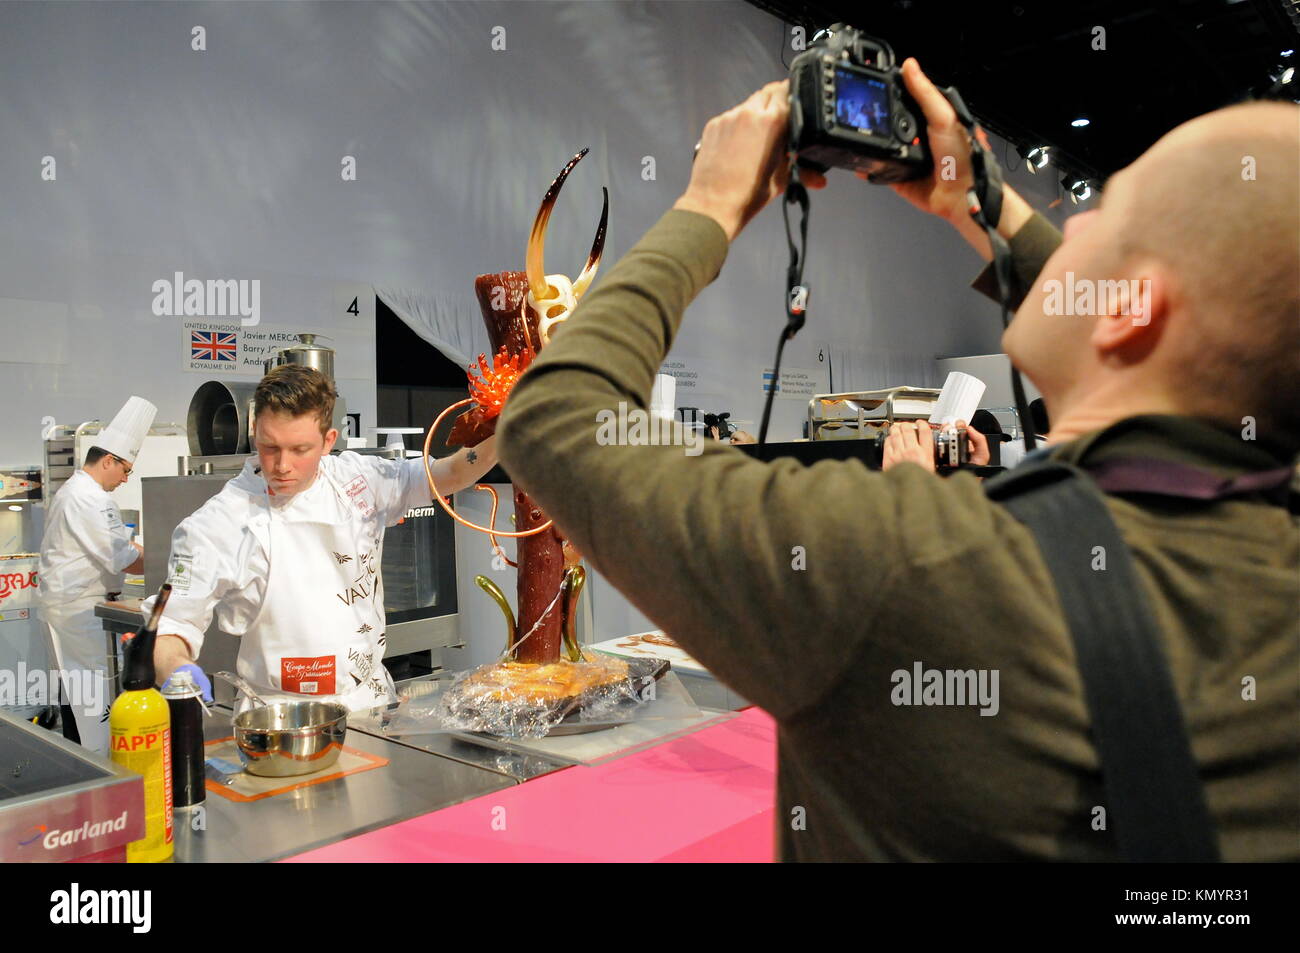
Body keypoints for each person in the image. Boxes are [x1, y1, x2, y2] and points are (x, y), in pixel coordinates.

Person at [496, 60, 1300, 860]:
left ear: (1127, 311)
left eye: (1107, 216)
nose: (1070, 228)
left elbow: (556, 421)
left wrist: (709, 206)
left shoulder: (919, 564)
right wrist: (977, 198)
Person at [145, 365, 499, 713]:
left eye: (300, 450)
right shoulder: (219, 523)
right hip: (280, 716)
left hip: (369, 703)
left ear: (329, 441)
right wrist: (178, 669)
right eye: (270, 447)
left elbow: (450, 473)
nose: (282, 465)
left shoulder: (358, 481)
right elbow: (171, 624)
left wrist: (507, 434)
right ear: (255, 433)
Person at [37, 396, 154, 753]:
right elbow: (122, 556)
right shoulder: (91, 499)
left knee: (78, 694)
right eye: (126, 470)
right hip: (78, 610)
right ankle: (96, 769)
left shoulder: (75, 490)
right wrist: (171, 559)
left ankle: (81, 760)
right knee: (91, 696)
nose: (125, 478)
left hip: (68, 606)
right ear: (108, 460)